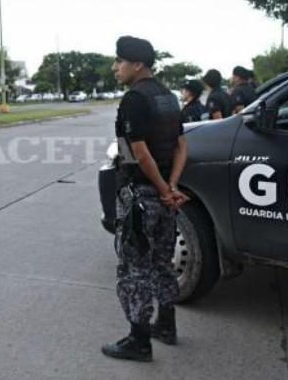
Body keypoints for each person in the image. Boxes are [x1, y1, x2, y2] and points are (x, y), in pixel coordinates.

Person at [102, 36, 190, 362]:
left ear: (137, 64)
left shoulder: (134, 99)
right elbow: (181, 145)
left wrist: (162, 189)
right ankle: (166, 325)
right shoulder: (168, 97)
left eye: (119, 61)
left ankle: (139, 341)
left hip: (140, 195)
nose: (115, 67)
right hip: (165, 197)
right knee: (162, 263)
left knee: (134, 269)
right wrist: (171, 185)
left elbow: (139, 152)